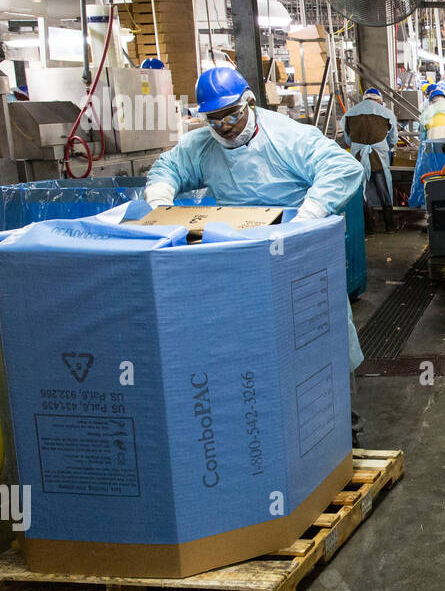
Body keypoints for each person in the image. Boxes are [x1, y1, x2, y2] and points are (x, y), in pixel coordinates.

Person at [144, 66, 367, 436]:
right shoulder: (204, 145)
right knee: (254, 344)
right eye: (214, 120)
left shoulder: (287, 137)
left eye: (231, 115)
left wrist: (308, 215)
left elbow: (342, 168)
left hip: (296, 252)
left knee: (316, 335)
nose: (225, 126)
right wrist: (160, 203)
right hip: (240, 256)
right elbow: (168, 168)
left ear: (249, 101)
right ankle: (263, 422)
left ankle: (340, 425)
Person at [343, 87, 399, 229]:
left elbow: (347, 139)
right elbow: (393, 139)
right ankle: (389, 226)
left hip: (358, 157)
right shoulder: (386, 113)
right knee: (384, 189)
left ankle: (368, 228)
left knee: (363, 191)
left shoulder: (350, 114)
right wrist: (386, 146)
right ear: (379, 99)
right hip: (379, 157)